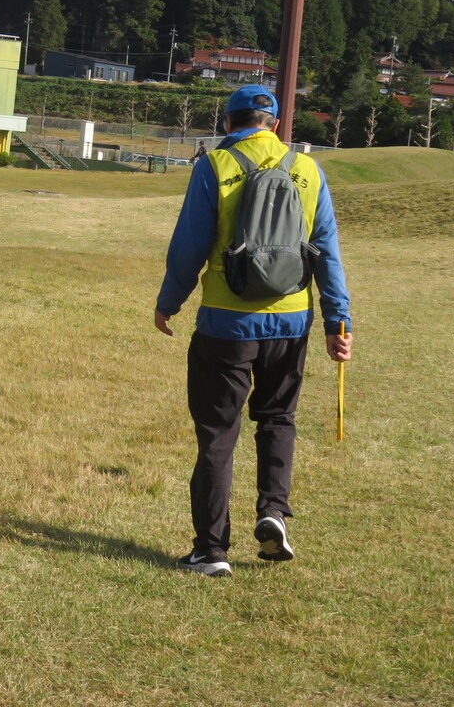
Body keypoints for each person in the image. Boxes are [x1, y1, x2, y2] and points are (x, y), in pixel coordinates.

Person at [154, 85, 353, 578]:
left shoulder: (215, 166)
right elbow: (326, 251)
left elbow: (189, 246)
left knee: (219, 432)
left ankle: (210, 550)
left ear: (229, 122)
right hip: (292, 321)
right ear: (276, 124)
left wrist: (169, 302)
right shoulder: (308, 170)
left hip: (226, 321)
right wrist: (337, 321)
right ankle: (273, 511)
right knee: (279, 418)